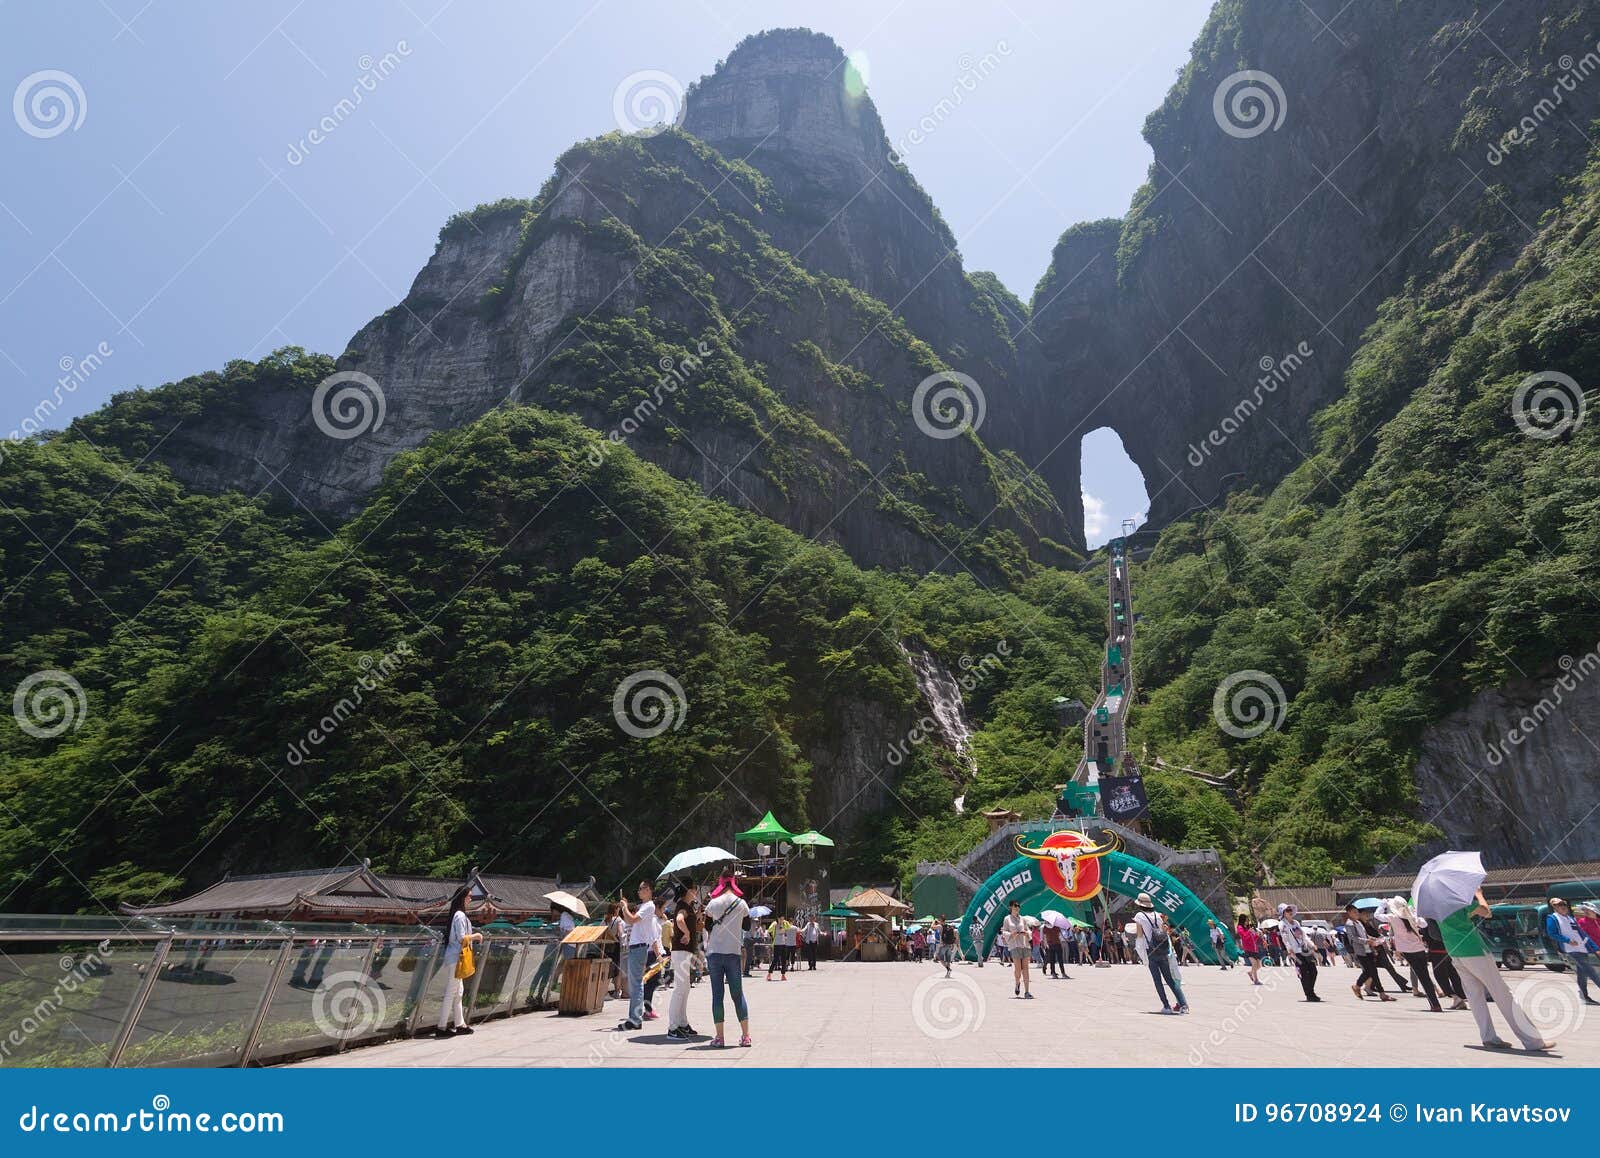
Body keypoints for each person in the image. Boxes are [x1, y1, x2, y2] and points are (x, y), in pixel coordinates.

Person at [1440, 889, 1554, 1051]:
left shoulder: (1437, 907)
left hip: (1455, 951)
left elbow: (1459, 920)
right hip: (1473, 950)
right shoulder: (1459, 902)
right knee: (1502, 993)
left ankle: (1488, 1037)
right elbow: (1486, 913)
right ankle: (1532, 1040)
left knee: (1475, 996)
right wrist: (1479, 895)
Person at [702, 875, 752, 1048]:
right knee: (738, 995)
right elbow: (747, 926)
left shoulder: (713, 904)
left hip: (715, 954)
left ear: (721, 885)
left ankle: (720, 1038)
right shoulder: (741, 903)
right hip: (733, 954)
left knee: (718, 996)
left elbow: (707, 927)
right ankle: (745, 1036)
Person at [435, 886, 482, 1037]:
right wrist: (476, 936)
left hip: (453, 957)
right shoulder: (460, 916)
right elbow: (462, 938)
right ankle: (441, 1027)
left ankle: (459, 1023)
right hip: (457, 958)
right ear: (463, 898)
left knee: (458, 992)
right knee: (452, 992)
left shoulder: (456, 915)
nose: (470, 899)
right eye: (469, 896)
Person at [1383, 897, 1442, 1012]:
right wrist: (1414, 913)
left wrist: (1383, 904)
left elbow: (1377, 915)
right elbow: (1424, 924)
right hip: (1419, 949)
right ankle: (1435, 1003)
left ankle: (1435, 1004)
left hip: (1407, 951)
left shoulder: (1393, 918)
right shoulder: (1411, 917)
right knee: (1425, 976)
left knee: (1422, 977)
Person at [1133, 894, 1187, 1013]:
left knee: (1157, 980)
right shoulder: (1158, 915)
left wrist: (1139, 951)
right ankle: (1183, 1005)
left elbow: (1140, 935)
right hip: (1162, 949)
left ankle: (1166, 1006)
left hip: (1150, 950)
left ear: (1139, 904)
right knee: (1170, 979)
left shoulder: (1139, 916)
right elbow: (1163, 931)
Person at [1544, 896, 1600, 1006]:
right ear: (1554, 907)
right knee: (1590, 971)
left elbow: (1583, 934)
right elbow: (1552, 933)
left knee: (1582, 973)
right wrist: (1568, 940)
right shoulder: (1552, 918)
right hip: (1571, 949)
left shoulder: (1570, 918)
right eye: (1558, 905)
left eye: (1563, 904)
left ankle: (1584, 996)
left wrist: (1595, 948)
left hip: (1582, 948)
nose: (1562, 906)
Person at [617, 880, 657, 1032]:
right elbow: (629, 919)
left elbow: (631, 920)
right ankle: (635, 1018)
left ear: (648, 890)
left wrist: (625, 907)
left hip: (639, 947)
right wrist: (625, 907)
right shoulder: (644, 907)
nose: (639, 891)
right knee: (635, 985)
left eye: (642, 889)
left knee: (636, 985)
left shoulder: (649, 906)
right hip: (637, 947)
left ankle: (634, 1019)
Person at [667, 882, 701, 1039]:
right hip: (681, 950)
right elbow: (680, 920)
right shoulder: (683, 906)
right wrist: (686, 933)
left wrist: (697, 917)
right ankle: (673, 1027)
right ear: (688, 891)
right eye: (694, 889)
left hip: (684, 951)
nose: (695, 892)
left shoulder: (687, 906)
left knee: (685, 988)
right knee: (680, 989)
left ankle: (682, 1023)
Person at [1343, 905, 1394, 1002]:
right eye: (1354, 912)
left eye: (1357, 911)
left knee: (1369, 971)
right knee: (1373, 972)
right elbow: (1353, 938)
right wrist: (1367, 941)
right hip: (1361, 951)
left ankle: (1357, 986)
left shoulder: (1358, 923)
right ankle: (1382, 994)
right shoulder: (1349, 924)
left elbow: (1365, 934)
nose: (1357, 913)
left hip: (1368, 950)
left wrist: (1373, 939)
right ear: (1349, 913)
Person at [1277, 904, 1321, 1002]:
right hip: (1295, 952)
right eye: (1287, 910)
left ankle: (1310, 991)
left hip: (1305, 950)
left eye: (1290, 910)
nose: (1290, 912)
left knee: (1314, 971)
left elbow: (1303, 935)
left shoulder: (1296, 922)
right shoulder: (1282, 924)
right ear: (1283, 913)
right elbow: (1285, 939)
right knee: (1304, 973)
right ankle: (1309, 994)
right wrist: (1289, 949)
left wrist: (1312, 944)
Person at [1001, 901, 1033, 999]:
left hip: (1025, 945)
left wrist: (1026, 933)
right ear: (1011, 907)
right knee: (1018, 970)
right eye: (1015, 906)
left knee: (1026, 969)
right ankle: (1017, 982)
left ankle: (1027, 992)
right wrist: (1011, 934)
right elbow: (1003, 931)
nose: (1017, 908)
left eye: (1018, 906)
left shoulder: (1022, 919)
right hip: (1014, 946)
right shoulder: (1007, 919)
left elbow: (1028, 930)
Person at [1235, 915, 1262, 985]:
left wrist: (1258, 935)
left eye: (1248, 920)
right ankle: (1256, 980)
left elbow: (1253, 938)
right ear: (1242, 920)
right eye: (1246, 920)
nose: (1247, 922)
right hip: (1248, 949)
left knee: (1259, 965)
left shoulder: (1248, 928)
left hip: (1254, 948)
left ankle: (1250, 973)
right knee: (1254, 964)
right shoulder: (1240, 927)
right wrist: (1249, 932)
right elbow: (1244, 937)